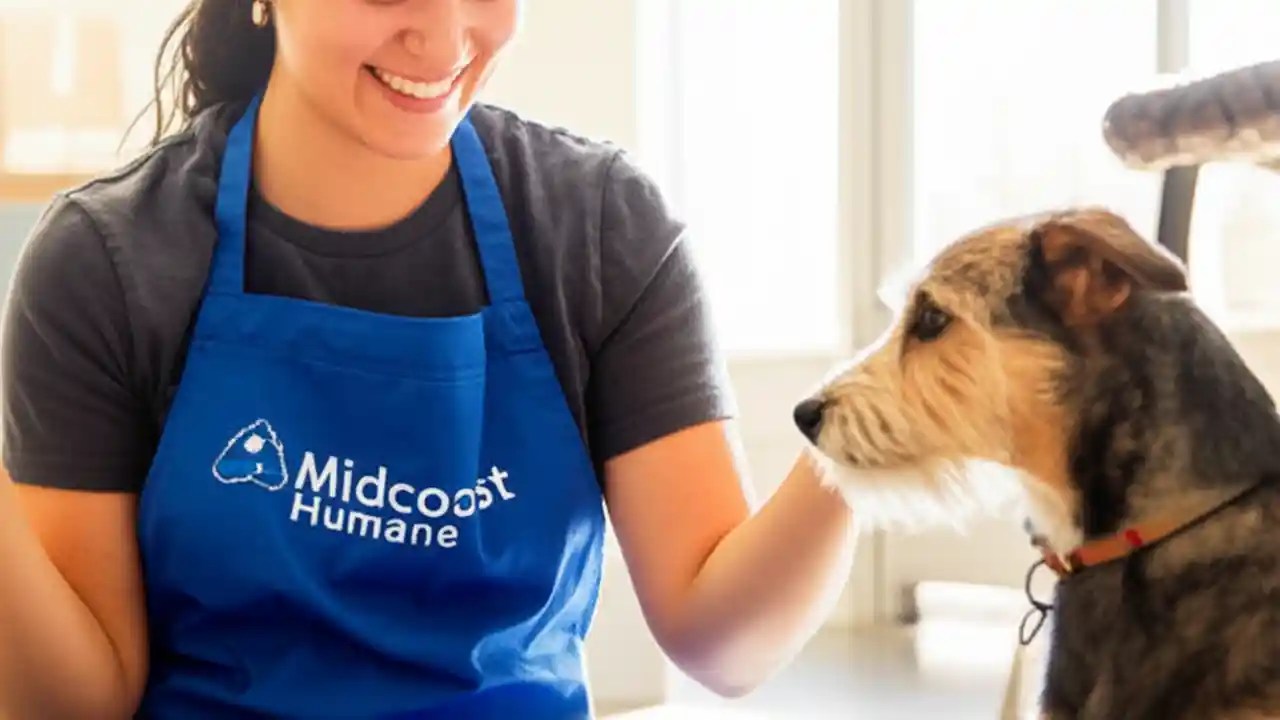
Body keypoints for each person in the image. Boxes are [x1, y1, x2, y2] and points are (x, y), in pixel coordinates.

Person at [0, 1, 858, 718]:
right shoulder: (108, 262)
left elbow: (724, 644)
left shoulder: (598, 232)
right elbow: (79, 704)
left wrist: (878, 424)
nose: (445, 39)